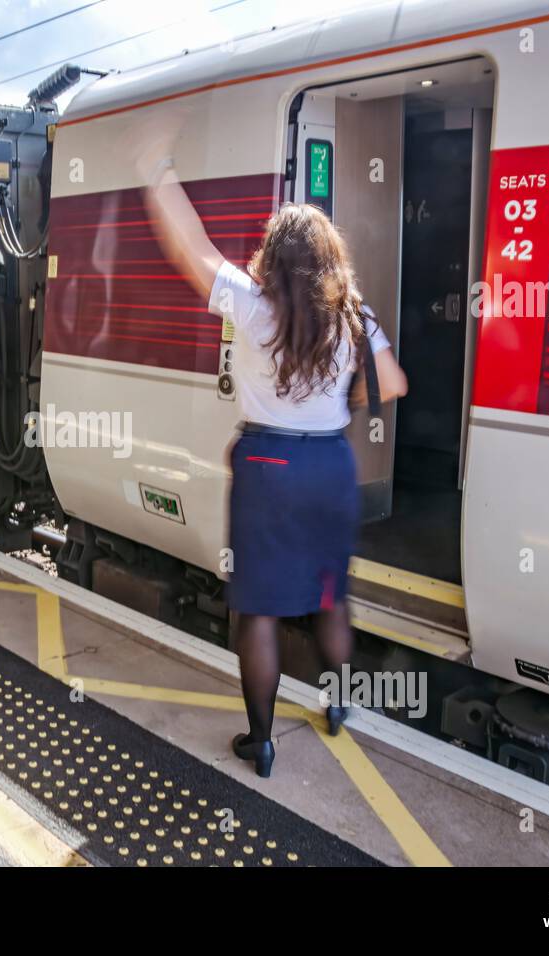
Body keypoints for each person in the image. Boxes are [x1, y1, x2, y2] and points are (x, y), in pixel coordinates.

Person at [138, 146, 407, 778]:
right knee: (328, 597)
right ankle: (339, 707)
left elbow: (193, 250)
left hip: (269, 468)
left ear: (273, 260)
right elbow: (392, 383)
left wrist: (159, 173)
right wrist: (343, 395)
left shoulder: (253, 306)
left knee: (259, 609)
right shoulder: (352, 315)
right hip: (331, 468)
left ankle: (261, 742)